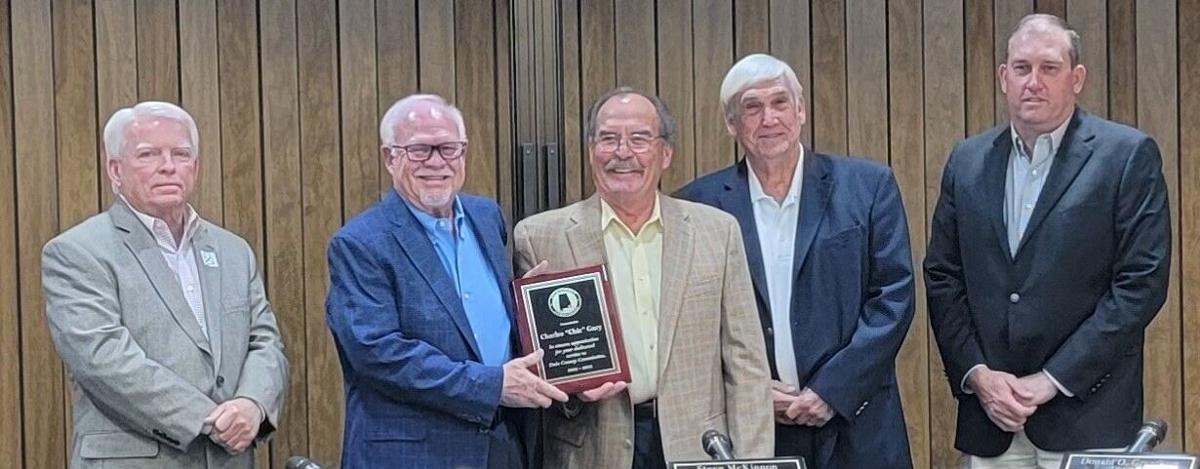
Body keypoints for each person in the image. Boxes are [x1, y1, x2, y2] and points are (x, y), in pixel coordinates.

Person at [925, 14, 1171, 468]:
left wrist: (1051, 379)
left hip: (1088, 417)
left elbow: (1140, 285)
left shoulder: (1125, 156)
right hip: (992, 419)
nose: (1032, 82)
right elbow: (943, 277)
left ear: (1077, 78)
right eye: (1021, 68)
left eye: (1049, 68)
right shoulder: (967, 162)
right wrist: (979, 375)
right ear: (1003, 77)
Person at [677, 53, 916, 469]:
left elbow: (892, 299)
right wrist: (747, 391)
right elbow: (689, 323)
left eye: (780, 103)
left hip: (858, 425)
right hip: (753, 431)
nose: (769, 119)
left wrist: (832, 390)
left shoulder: (868, 186)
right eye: (752, 107)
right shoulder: (698, 206)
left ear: (801, 110)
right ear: (732, 123)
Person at [513, 87, 773, 468]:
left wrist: (752, 462)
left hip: (698, 446)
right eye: (608, 139)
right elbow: (538, 365)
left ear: (665, 153)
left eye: (639, 139)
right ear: (590, 151)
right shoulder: (540, 237)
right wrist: (572, 391)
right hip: (593, 449)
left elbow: (746, 361)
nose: (623, 153)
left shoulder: (717, 232)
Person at [325, 94, 567, 468]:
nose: (436, 162)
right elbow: (378, 354)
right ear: (390, 158)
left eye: (448, 148)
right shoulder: (360, 243)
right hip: (415, 453)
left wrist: (530, 305)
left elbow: (483, 323)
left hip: (503, 441)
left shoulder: (486, 216)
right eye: (420, 150)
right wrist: (492, 386)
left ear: (464, 152)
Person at [43, 101, 289, 468]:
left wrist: (253, 404)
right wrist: (211, 419)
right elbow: (104, 361)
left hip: (230, 459)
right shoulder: (77, 252)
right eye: (148, 154)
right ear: (115, 169)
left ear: (196, 166)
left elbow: (265, 341)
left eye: (181, 153)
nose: (168, 166)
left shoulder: (234, 251)